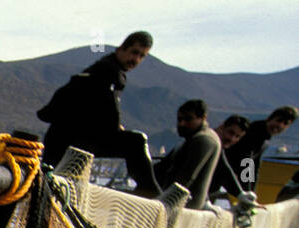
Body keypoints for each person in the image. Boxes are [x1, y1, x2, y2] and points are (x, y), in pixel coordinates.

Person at [38, 31, 159, 195]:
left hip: (66, 136)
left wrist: (115, 126)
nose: (136, 59)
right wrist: (116, 127)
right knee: (136, 142)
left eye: (142, 56)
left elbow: (99, 107)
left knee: (49, 182)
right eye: (134, 53)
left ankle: (149, 189)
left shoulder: (103, 68)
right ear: (121, 49)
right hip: (71, 138)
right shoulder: (110, 71)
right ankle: (150, 191)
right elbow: (109, 106)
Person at [153, 100, 221, 210]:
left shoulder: (204, 140)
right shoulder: (193, 139)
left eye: (188, 119)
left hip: (183, 207)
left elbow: (186, 179)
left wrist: (162, 203)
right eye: (179, 120)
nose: (182, 124)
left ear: (203, 118)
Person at [218, 106, 298, 197]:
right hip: (221, 174)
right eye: (279, 120)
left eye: (285, 124)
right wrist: (246, 191)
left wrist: (252, 193)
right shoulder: (255, 132)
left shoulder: (264, 139)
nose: (280, 125)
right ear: (270, 118)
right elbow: (246, 162)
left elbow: (255, 166)